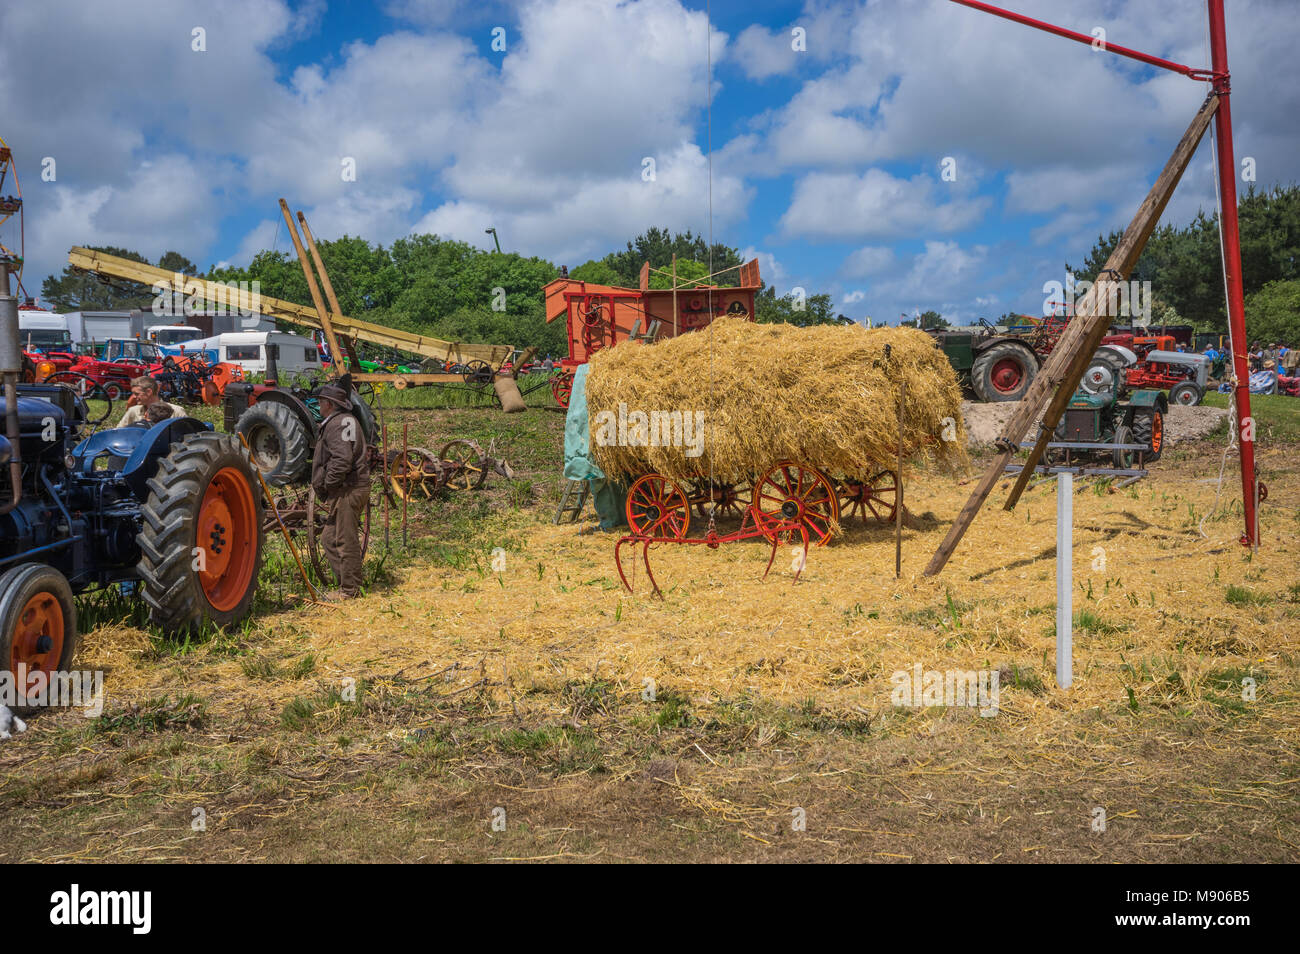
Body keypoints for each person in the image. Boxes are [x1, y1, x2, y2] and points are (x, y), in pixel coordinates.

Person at [310, 383, 370, 601]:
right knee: (328, 538)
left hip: (348, 488)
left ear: (328, 404)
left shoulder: (337, 424)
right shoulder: (345, 421)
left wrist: (328, 484)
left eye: (320, 402)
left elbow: (342, 460)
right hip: (350, 487)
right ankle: (345, 582)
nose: (318, 406)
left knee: (345, 539)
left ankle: (350, 590)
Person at [118, 376, 184, 427]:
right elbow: (118, 433)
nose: (134, 397)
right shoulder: (133, 411)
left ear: (149, 392)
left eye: (137, 394)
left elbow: (189, 437)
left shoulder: (177, 412)